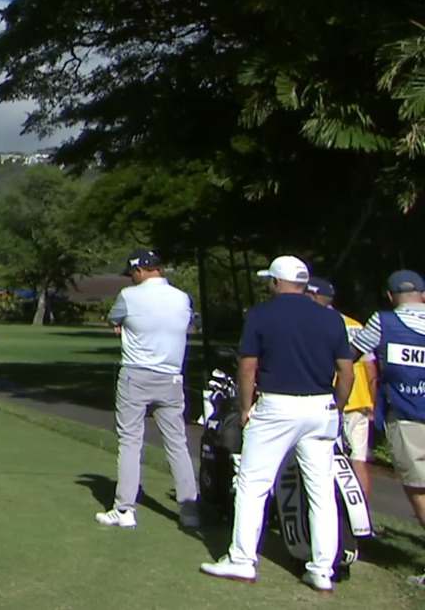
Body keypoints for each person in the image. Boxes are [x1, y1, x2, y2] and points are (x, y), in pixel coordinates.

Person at [201, 256, 354, 593]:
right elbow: (347, 373)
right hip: (321, 408)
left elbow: (247, 368)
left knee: (253, 483)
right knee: (321, 490)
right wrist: (336, 409)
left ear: (275, 282)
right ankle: (322, 569)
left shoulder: (261, 315)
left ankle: (242, 560)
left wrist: (244, 408)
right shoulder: (331, 319)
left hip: (276, 406)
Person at [95, 249, 200, 529]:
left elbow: (114, 320)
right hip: (172, 378)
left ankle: (125, 509)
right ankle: (189, 510)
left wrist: (124, 327)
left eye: (132, 274)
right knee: (177, 443)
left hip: (136, 376)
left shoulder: (129, 296)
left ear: (139, 271)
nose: (131, 279)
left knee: (130, 441)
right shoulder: (182, 298)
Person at [347, 269, 425, 589]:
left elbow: (351, 353)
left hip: (407, 416)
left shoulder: (383, 322)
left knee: (419, 489)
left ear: (391, 297)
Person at [307, 276, 378, 500]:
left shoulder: (317, 323)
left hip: (330, 398)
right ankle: (362, 513)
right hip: (360, 400)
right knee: (359, 460)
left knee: (325, 458)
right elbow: (371, 369)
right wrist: (373, 402)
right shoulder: (356, 325)